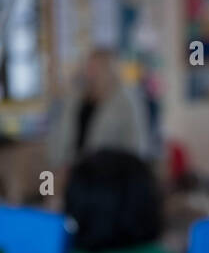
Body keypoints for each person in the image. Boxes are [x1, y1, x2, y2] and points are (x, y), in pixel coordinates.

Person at [46, 49, 152, 182]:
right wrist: (59, 165)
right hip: (75, 173)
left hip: (111, 177)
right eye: (89, 68)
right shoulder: (75, 99)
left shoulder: (127, 102)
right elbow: (61, 137)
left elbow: (137, 145)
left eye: (97, 69)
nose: (91, 74)